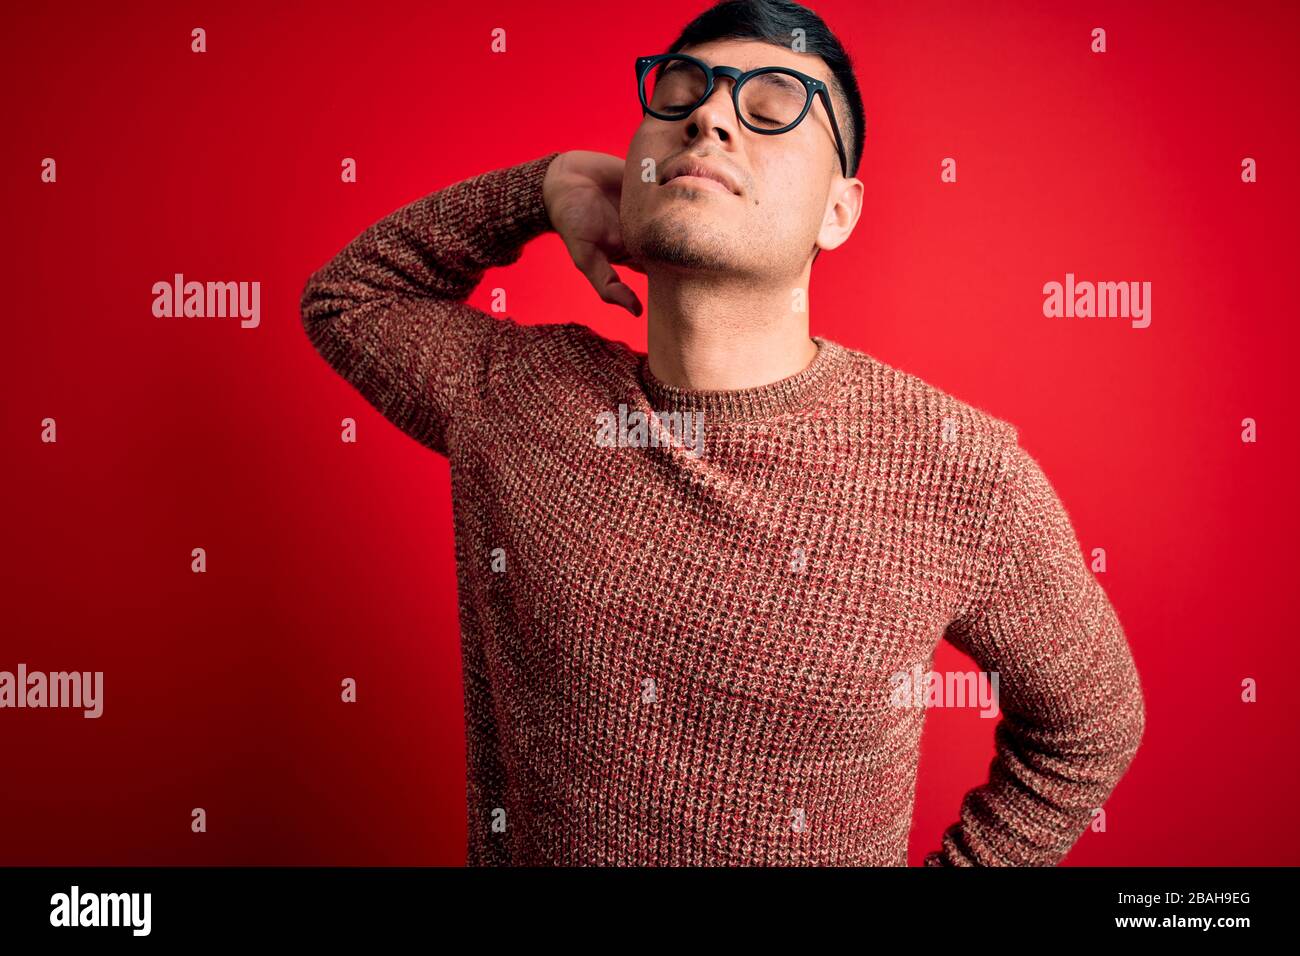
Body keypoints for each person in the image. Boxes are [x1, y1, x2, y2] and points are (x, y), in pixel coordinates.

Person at [299, 0, 1145, 866]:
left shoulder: (957, 468)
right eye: (678, 94)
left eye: (773, 107)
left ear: (839, 212)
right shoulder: (520, 399)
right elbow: (349, 299)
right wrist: (542, 187)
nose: (707, 116)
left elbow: (1093, 723)